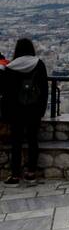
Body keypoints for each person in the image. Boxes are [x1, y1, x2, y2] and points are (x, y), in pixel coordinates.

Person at [1, 38, 49, 184]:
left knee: (16, 142)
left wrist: (6, 113)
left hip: (16, 111)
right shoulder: (39, 64)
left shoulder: (11, 67)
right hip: (34, 110)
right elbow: (44, 90)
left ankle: (15, 175)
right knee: (32, 140)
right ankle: (31, 172)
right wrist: (41, 109)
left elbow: (6, 92)